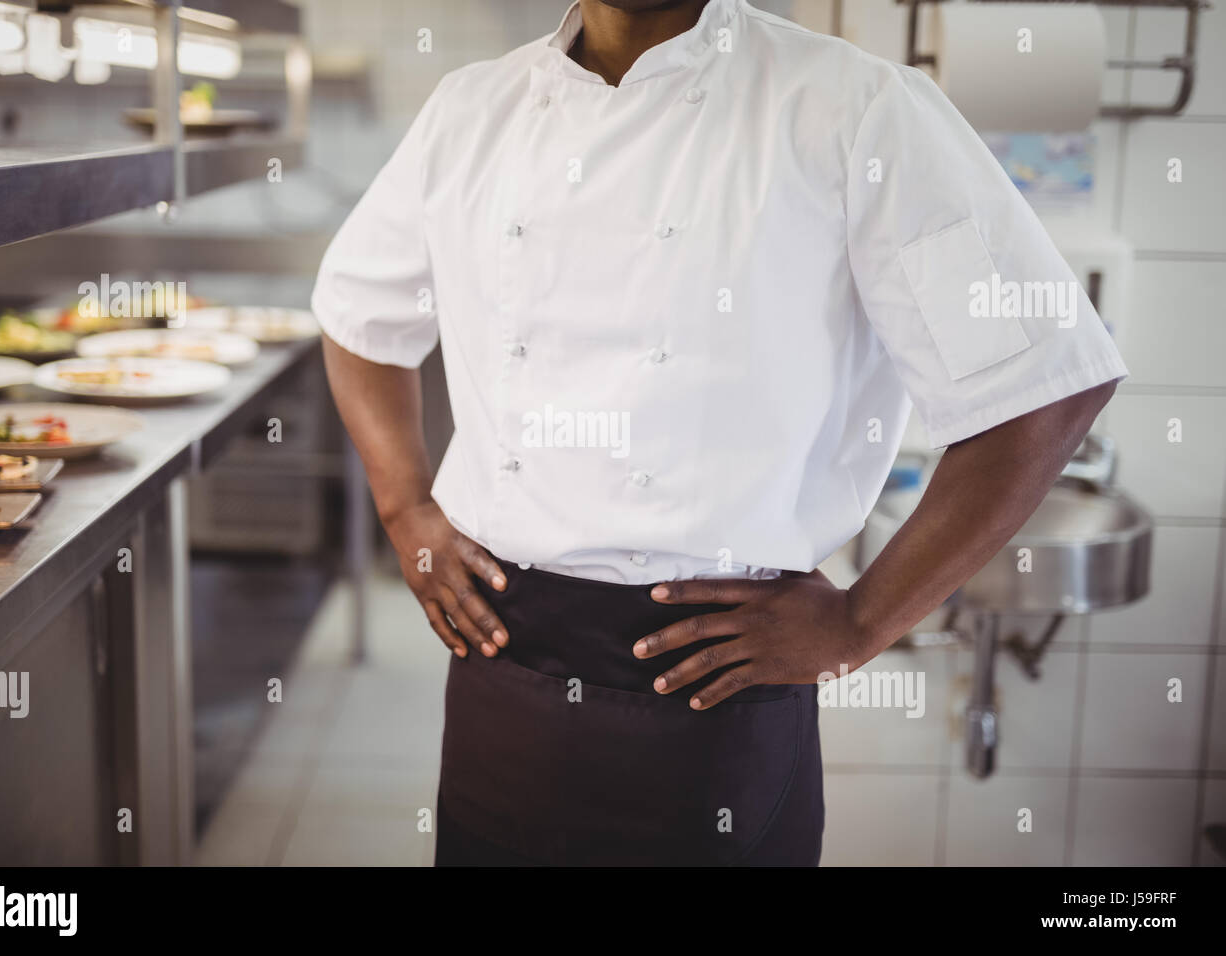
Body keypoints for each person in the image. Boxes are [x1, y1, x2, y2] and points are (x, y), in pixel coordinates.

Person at [311, 0, 1127, 866]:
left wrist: (858, 623)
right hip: (499, 669)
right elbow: (361, 314)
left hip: (719, 689)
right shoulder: (470, 110)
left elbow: (1044, 387)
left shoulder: (854, 107)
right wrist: (404, 507)